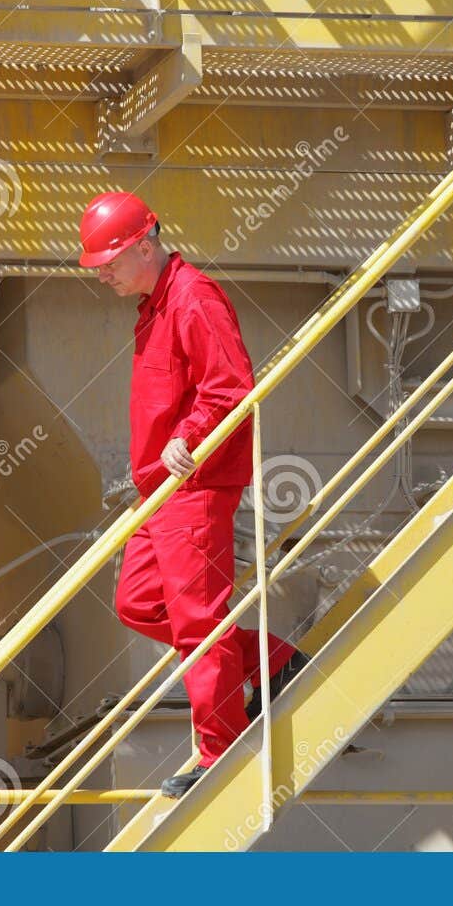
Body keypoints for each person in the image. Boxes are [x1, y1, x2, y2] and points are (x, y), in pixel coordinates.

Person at [79, 191, 308, 798]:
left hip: (195, 483)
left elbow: (229, 387)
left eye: (108, 261)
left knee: (199, 621)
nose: (100, 272)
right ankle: (274, 660)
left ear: (145, 247)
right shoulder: (155, 306)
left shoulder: (193, 298)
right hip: (161, 490)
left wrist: (189, 436)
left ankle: (220, 752)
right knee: (138, 604)